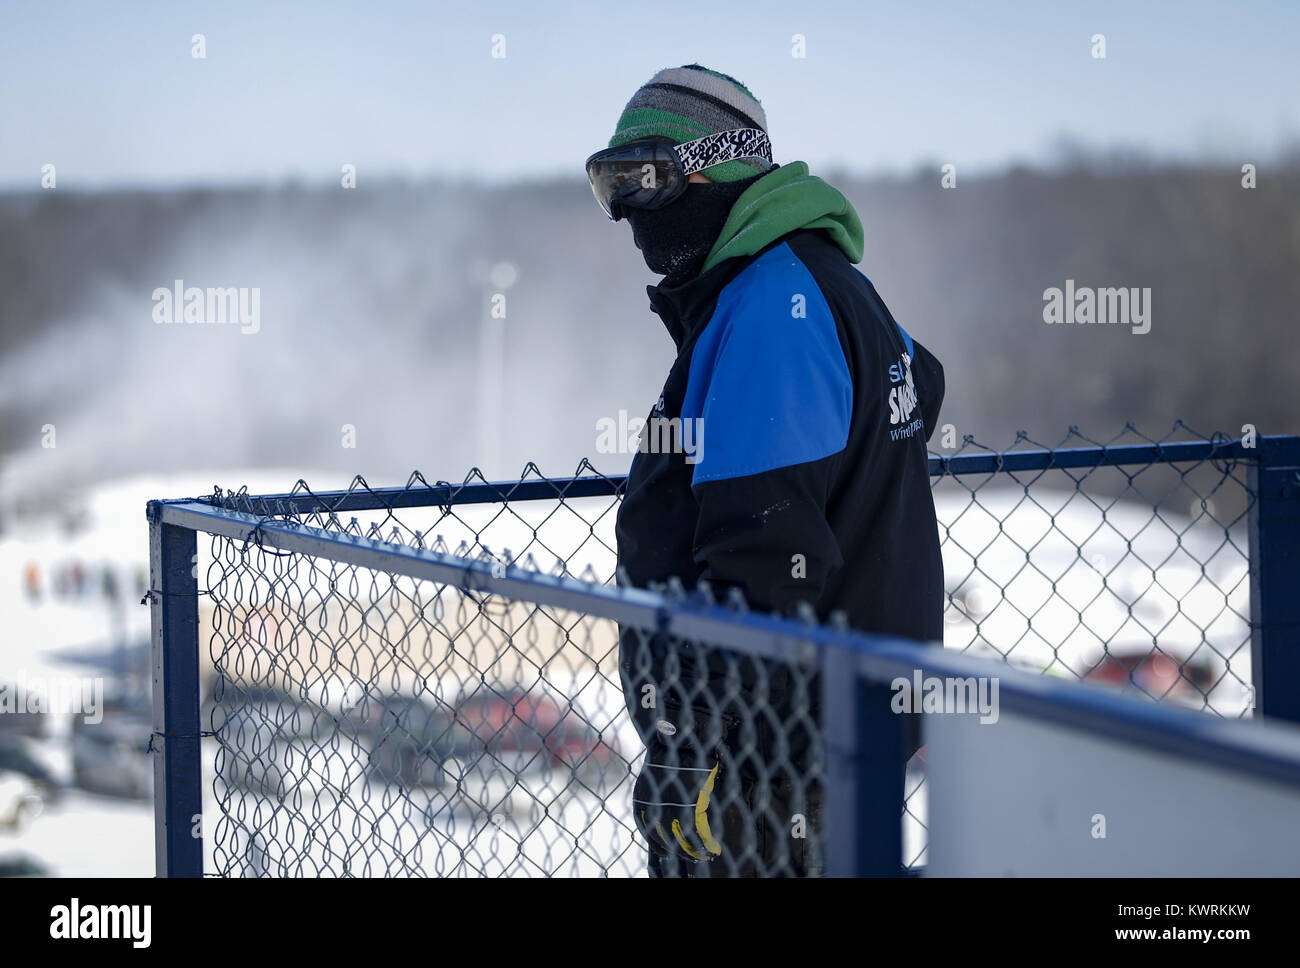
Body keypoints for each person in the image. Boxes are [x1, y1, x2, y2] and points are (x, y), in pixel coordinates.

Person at [586, 65, 945, 877]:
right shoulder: (828, 286)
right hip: (837, 733)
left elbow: (761, 566)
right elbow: (921, 379)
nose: (625, 213)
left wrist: (705, 756)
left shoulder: (771, 309)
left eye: (640, 179)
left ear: (716, 167)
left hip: (771, 763)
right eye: (607, 184)